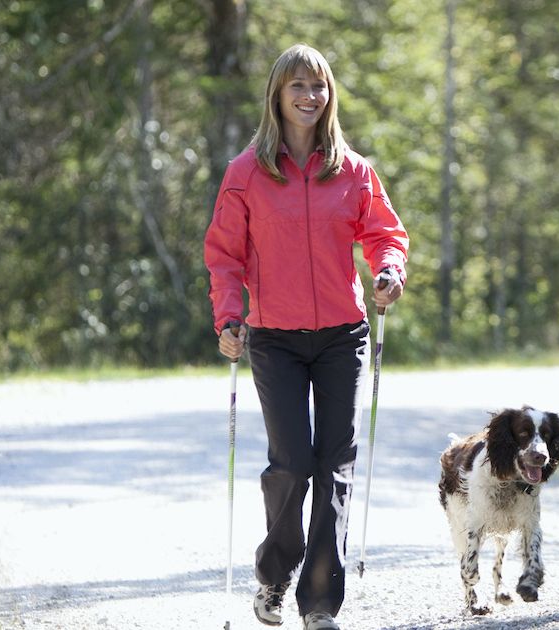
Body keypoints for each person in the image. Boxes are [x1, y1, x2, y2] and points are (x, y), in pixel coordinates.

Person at [204, 43, 408, 630]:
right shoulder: (246, 173)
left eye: (318, 87)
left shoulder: (353, 169)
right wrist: (228, 316)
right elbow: (224, 254)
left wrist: (388, 270)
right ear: (277, 94)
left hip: (343, 335)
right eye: (297, 85)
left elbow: (385, 233)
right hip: (273, 337)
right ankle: (274, 572)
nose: (309, 96)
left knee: (334, 464)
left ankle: (320, 602)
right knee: (291, 464)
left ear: (330, 96)